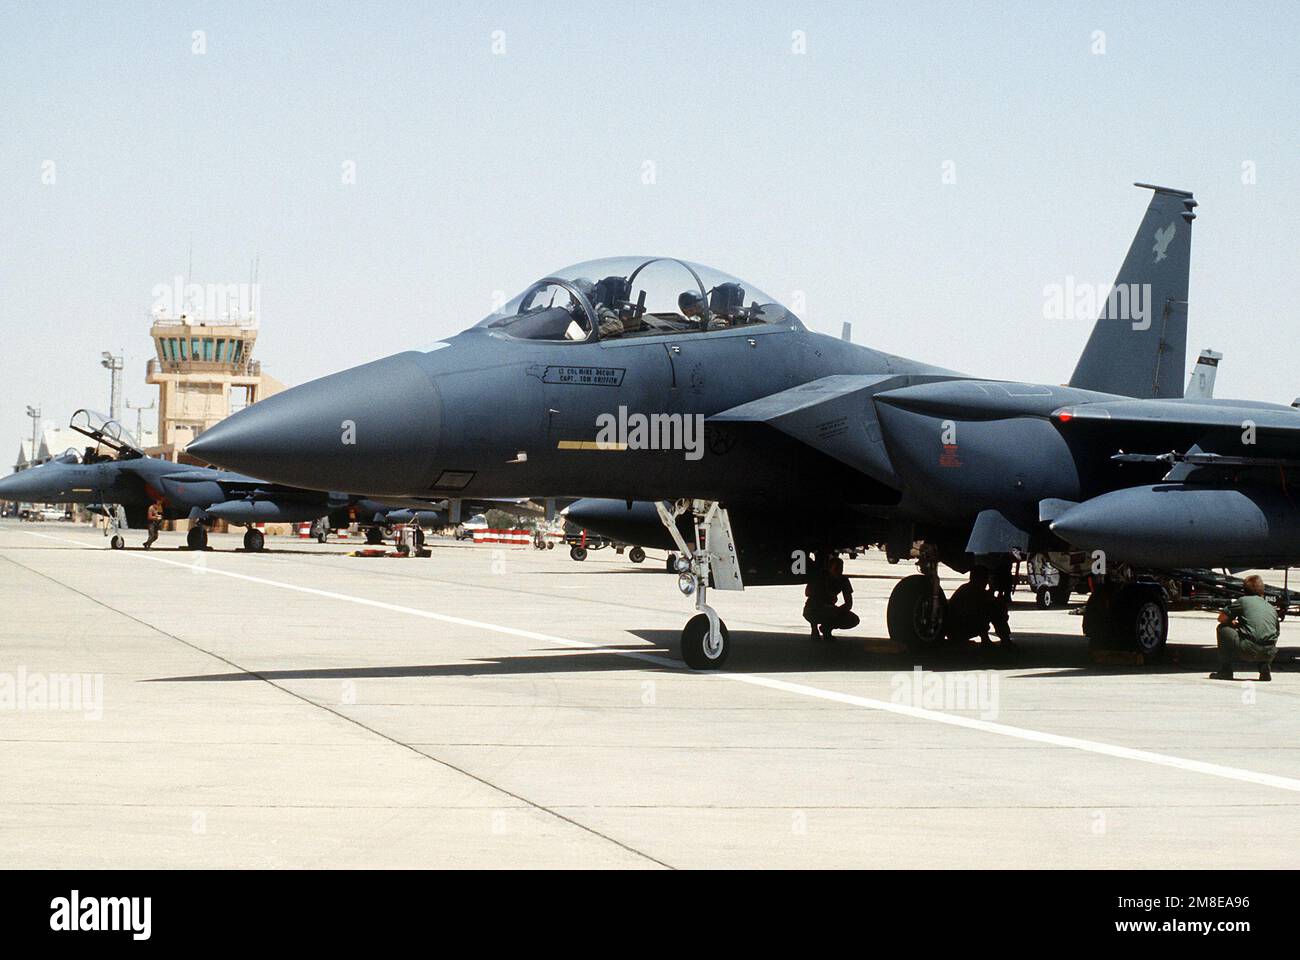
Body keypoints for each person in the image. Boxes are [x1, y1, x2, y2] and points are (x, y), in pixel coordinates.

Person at [1210, 575, 1279, 681]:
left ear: (1244, 590)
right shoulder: (1271, 607)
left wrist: (1233, 623)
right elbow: (1276, 632)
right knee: (1267, 633)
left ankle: (1225, 671)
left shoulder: (1243, 601)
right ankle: (1265, 668)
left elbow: (1221, 618)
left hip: (1248, 649)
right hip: (1269, 652)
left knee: (1222, 628)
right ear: (1262, 591)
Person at [945, 566, 1013, 647]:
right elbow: (989, 605)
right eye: (986, 578)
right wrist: (994, 591)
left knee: (992, 607)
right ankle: (1001, 639)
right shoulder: (974, 591)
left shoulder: (966, 588)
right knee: (995, 607)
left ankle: (991, 639)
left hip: (954, 630)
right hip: (961, 629)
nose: (987, 581)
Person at [803, 556, 859, 639]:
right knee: (813, 609)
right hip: (815, 608)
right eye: (836, 569)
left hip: (830, 608)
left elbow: (848, 603)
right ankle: (814, 629)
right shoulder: (820, 577)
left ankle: (826, 629)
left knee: (853, 620)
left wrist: (836, 610)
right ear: (829, 569)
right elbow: (809, 595)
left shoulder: (843, 580)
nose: (839, 572)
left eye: (841, 569)